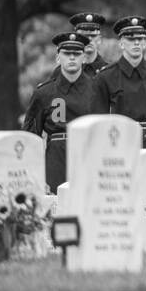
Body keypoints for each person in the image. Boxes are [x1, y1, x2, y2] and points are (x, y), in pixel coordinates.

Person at [23, 31, 100, 191]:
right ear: (58, 57)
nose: (72, 57)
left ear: (84, 57)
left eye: (77, 53)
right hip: (55, 159)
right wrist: (35, 176)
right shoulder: (43, 93)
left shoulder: (98, 90)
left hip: (88, 156)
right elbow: (30, 138)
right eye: (66, 53)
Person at [92, 16, 146, 150]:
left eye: (140, 38)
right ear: (121, 43)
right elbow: (98, 122)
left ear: (145, 42)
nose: (136, 42)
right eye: (130, 39)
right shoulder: (105, 77)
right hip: (119, 143)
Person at [48, 12, 109, 79]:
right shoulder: (61, 72)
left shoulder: (108, 72)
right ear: (77, 39)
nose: (89, 39)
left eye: (93, 36)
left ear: (99, 40)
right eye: (85, 36)